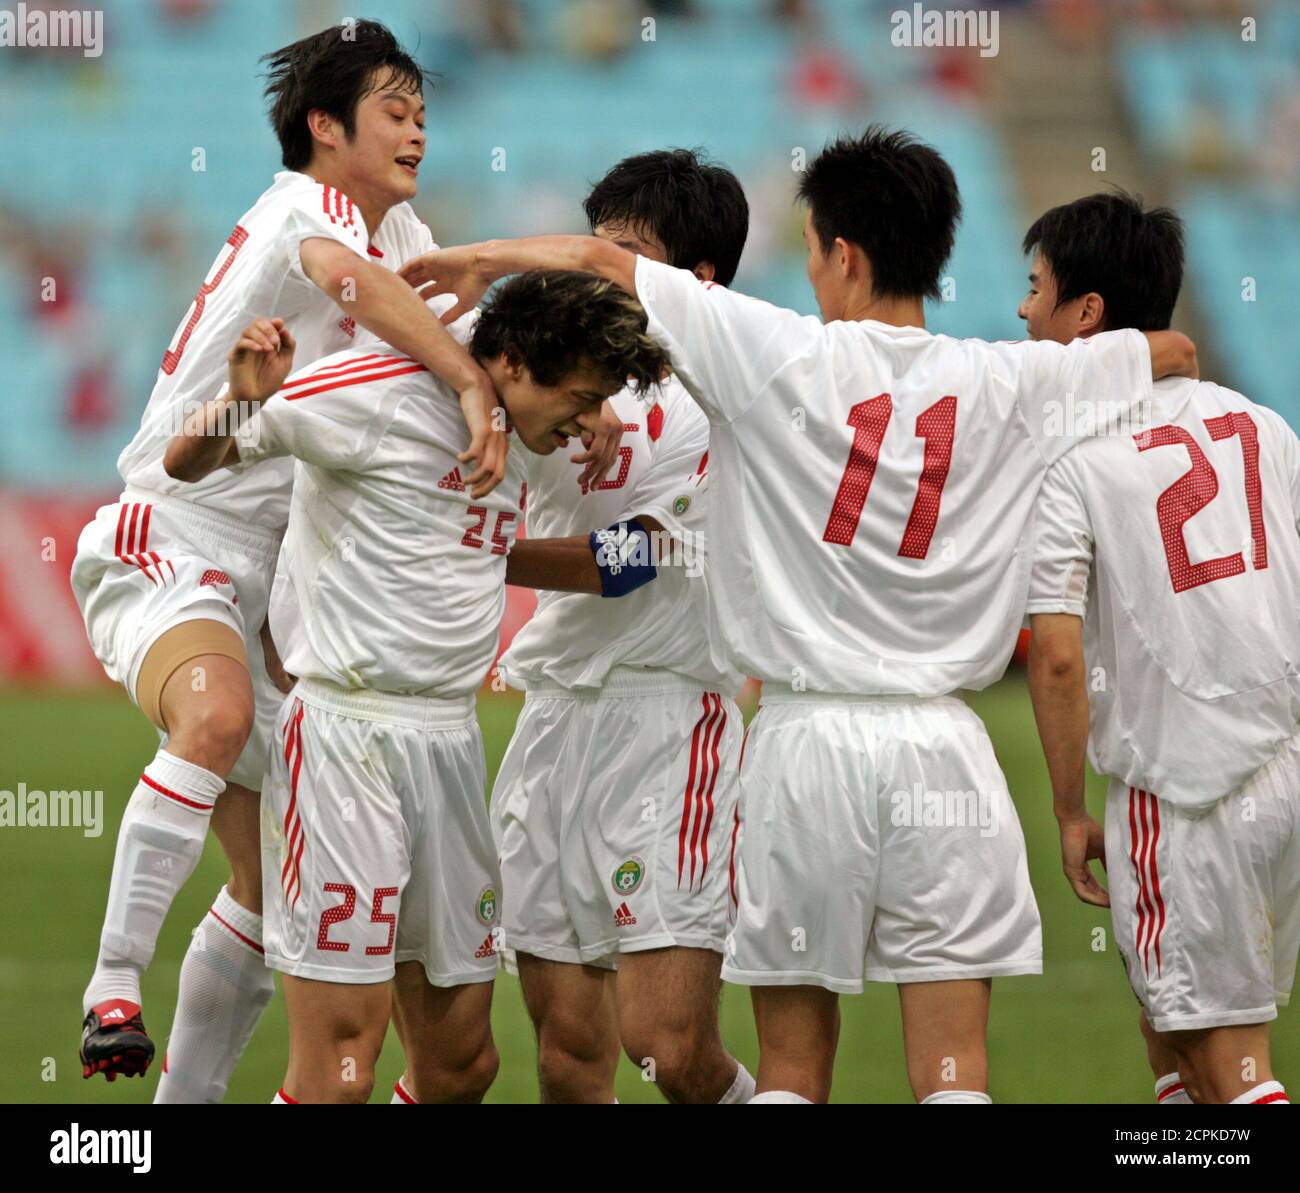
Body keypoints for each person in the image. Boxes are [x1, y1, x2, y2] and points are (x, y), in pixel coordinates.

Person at [400, 125, 1199, 1103]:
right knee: (939, 1072)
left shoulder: (757, 367)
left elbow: (629, 552)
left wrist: (479, 260)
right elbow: (1170, 350)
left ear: (834, 254)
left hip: (752, 727)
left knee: (742, 1059)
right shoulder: (1003, 376)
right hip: (904, 736)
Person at [69, 19, 514, 1097]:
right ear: (325, 127)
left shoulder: (398, 232)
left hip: (278, 581)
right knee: (214, 717)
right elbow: (354, 287)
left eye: (422, 111)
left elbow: (472, 324)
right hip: (174, 531)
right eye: (393, 111)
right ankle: (111, 984)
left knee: (272, 888)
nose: (416, 131)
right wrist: (463, 382)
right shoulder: (305, 209)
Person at [162, 269, 669, 1104]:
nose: (587, 419)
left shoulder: (545, 430)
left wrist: (599, 430)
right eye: (578, 396)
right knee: (342, 1062)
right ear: (508, 362)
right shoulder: (377, 394)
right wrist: (241, 400)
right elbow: (186, 461)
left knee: (462, 1066)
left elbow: (629, 560)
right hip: (347, 743)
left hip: (450, 746)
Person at [1023, 191, 1299, 1106]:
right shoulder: (1265, 426)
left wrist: (1067, 807)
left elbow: (1057, 656)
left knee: (1228, 1058)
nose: (1024, 311)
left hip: (1184, 787)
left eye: (1036, 289)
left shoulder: (1079, 460)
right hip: (1284, 771)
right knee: (1170, 1030)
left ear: (1086, 314)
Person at [491, 149, 754, 1103]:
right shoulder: (557, 371)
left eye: (624, 251)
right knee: (567, 1054)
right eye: (592, 244)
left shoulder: (727, 401)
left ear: (698, 280)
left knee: (670, 1050)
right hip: (553, 718)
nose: (592, 264)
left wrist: (481, 549)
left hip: (668, 723)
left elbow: (635, 558)